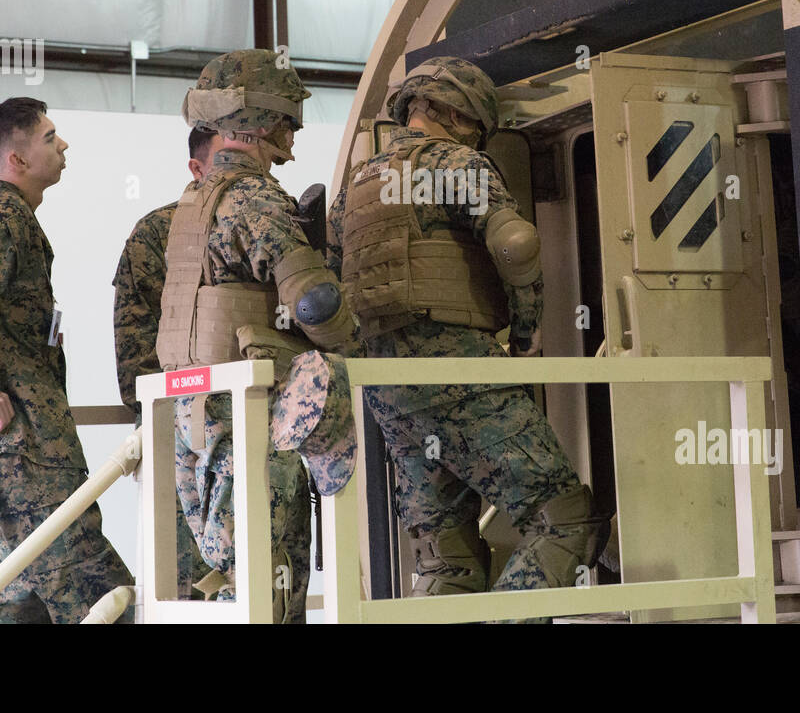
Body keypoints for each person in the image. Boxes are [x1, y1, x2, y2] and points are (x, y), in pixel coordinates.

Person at [328, 56, 608, 598]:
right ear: (453, 114)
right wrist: (527, 334)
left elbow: (334, 283)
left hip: (389, 391)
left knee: (445, 557)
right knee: (564, 520)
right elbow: (517, 243)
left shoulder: (354, 189)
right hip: (458, 372)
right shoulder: (457, 165)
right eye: (477, 128)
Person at [157, 49, 357, 622]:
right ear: (265, 121)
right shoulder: (254, 195)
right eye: (290, 120)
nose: (293, 135)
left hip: (193, 406)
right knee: (270, 572)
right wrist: (353, 344)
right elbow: (314, 298)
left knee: (233, 572)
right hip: (247, 415)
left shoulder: (192, 202)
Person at [0, 96, 134, 624]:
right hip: (30, 447)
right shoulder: (2, 220)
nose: (63, 145)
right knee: (97, 589)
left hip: (22, 442)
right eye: (49, 137)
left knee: (22, 593)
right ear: (16, 160)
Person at [111, 127, 219, 599]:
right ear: (196, 168)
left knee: (271, 578)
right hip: (187, 435)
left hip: (261, 427)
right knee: (187, 587)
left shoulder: (271, 220)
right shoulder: (160, 233)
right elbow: (136, 356)